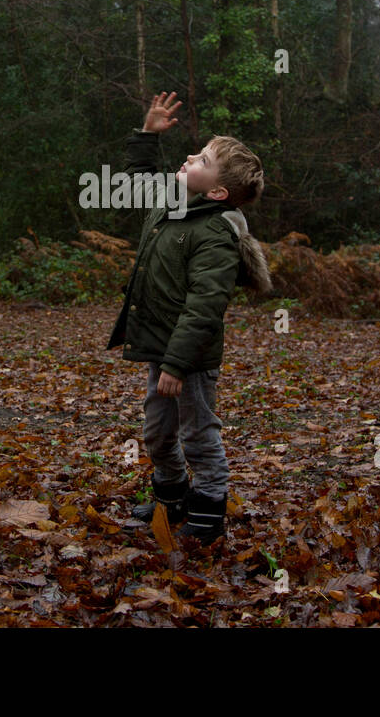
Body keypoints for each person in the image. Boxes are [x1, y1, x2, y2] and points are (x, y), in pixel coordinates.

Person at [106, 91, 272, 545]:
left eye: (201, 159)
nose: (189, 157)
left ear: (218, 191)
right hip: (157, 343)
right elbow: (135, 181)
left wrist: (178, 363)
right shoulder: (173, 201)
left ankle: (207, 512)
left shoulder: (216, 233)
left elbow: (205, 305)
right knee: (157, 432)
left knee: (198, 434)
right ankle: (171, 496)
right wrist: (147, 134)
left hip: (190, 359)